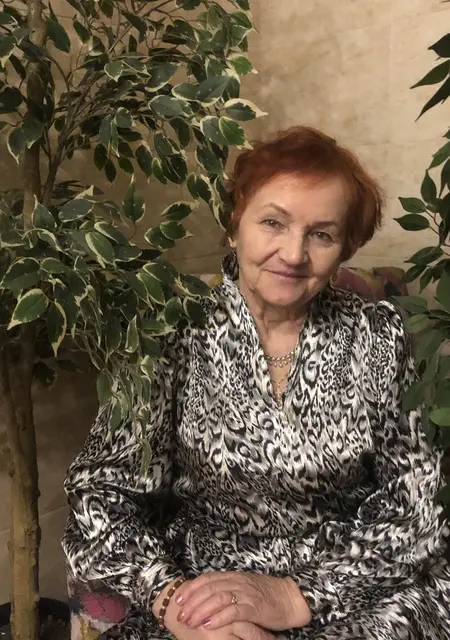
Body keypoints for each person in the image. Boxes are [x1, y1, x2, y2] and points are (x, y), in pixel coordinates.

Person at [62, 127, 450, 640]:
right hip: (206, 592)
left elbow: (418, 504)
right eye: (273, 222)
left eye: (322, 234)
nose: (293, 254)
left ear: (345, 248)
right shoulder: (167, 332)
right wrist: (173, 601)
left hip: (353, 586)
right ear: (235, 225)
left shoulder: (381, 335)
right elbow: (100, 493)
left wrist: (297, 595)